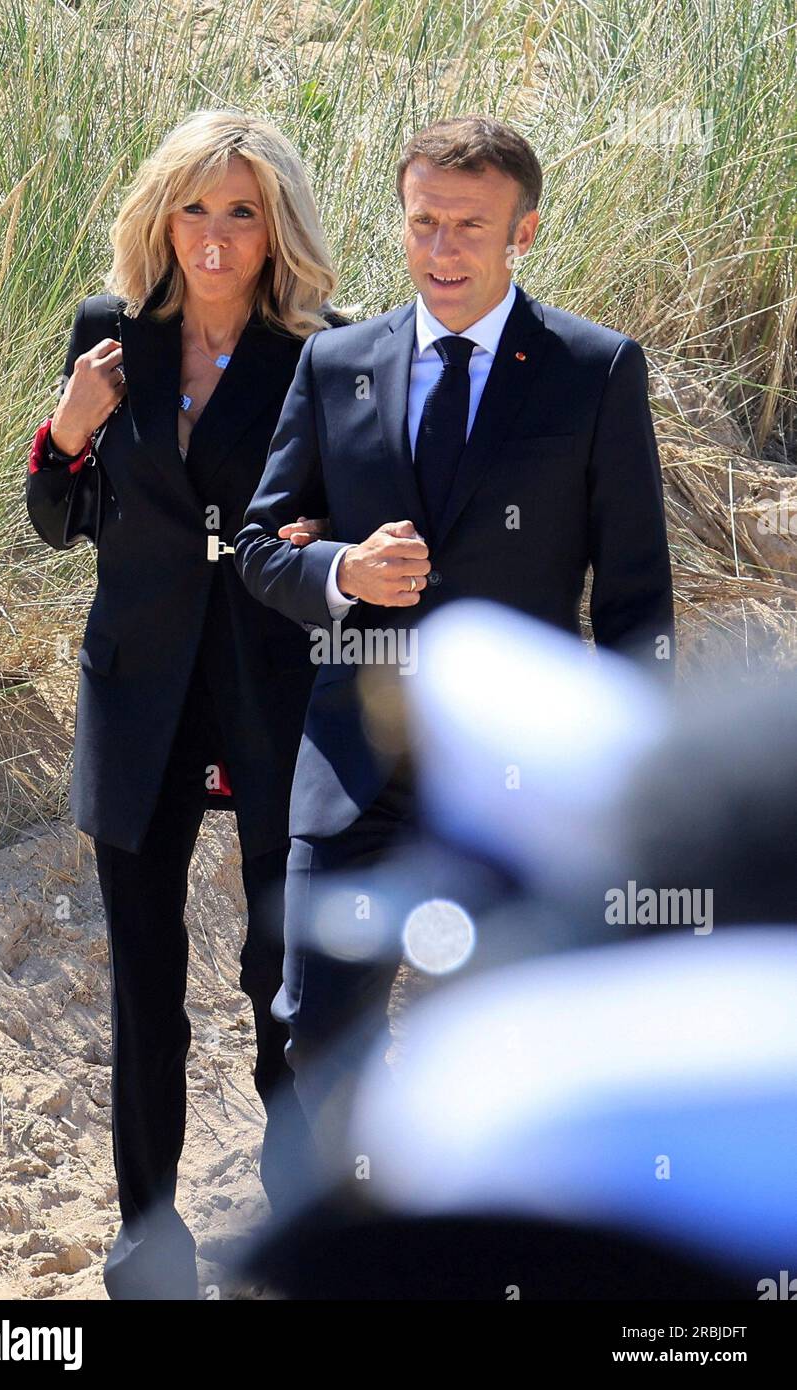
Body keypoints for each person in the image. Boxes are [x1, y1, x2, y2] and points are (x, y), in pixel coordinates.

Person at [235, 113, 675, 1156]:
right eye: (422, 220)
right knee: (316, 1035)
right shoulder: (334, 363)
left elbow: (632, 599)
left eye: (467, 226)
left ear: (521, 231)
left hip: (516, 776)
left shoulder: (593, 370)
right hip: (353, 766)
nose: (439, 248)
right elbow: (256, 544)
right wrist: (339, 569)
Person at [25, 108, 347, 1299]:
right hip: (140, 696)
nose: (214, 238)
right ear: (163, 216)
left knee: (284, 987)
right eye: (195, 209)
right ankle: (147, 1241)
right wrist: (68, 428)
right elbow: (57, 519)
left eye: (242, 213)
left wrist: (325, 538)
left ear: (278, 231)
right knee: (146, 990)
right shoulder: (110, 338)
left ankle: (300, 1231)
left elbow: (355, 529)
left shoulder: (330, 349)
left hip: (277, 695)